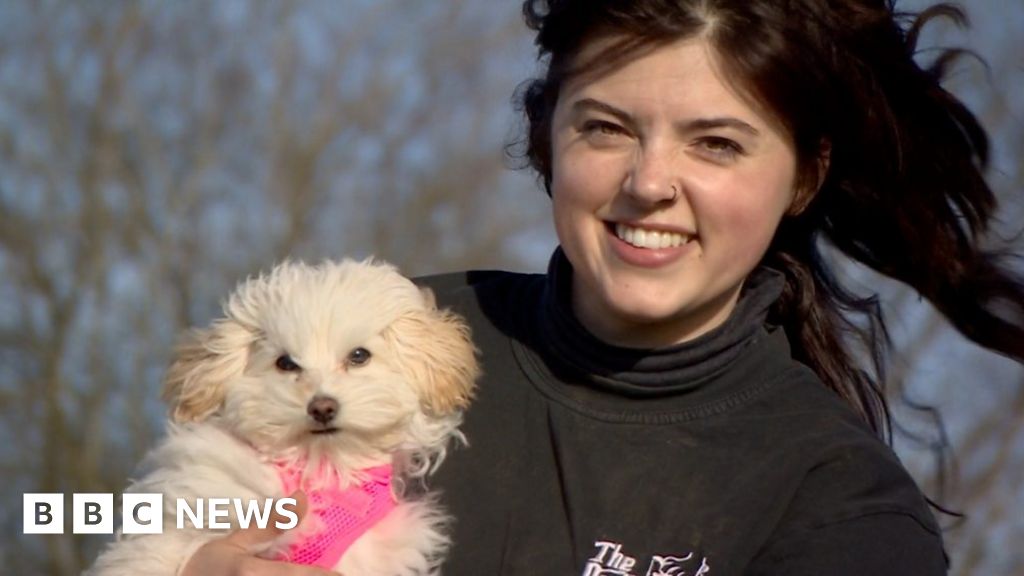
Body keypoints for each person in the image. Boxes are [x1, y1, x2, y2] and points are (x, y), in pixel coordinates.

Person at [182, 0, 1024, 574]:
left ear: (806, 176)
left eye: (717, 144)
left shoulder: (843, 511)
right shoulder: (376, 335)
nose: (650, 182)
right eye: (608, 128)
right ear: (547, 138)